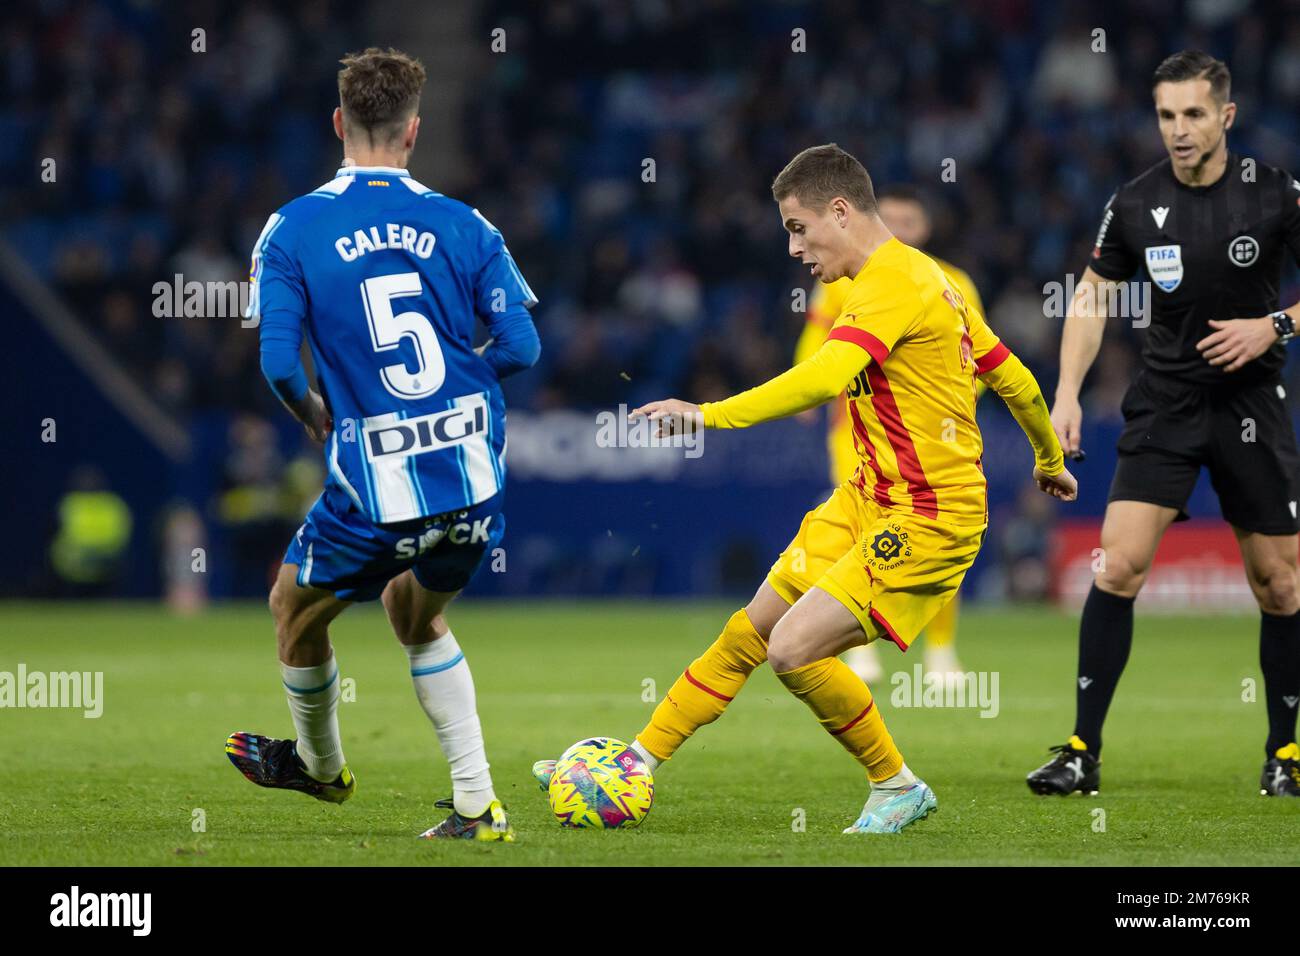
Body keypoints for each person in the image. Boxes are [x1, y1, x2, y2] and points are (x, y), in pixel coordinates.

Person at [536, 144, 1075, 833]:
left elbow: (822, 378)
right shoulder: (928, 280)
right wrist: (1048, 457)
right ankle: (634, 763)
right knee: (749, 632)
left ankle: (897, 783)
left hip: (927, 515)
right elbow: (1017, 379)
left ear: (841, 212)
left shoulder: (893, 285)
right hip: (864, 498)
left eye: (797, 226)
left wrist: (705, 415)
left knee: (791, 650)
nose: (793, 247)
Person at [225, 48, 541, 840]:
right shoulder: (466, 223)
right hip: (472, 475)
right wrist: (461, 382)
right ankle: (478, 806)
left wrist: (312, 413)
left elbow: (274, 365)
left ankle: (322, 771)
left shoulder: (293, 227)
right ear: (413, 132)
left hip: (377, 479)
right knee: (414, 610)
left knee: (292, 611)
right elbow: (524, 346)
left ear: (339, 123)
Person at [1028, 50, 1300, 798]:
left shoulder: (1274, 193)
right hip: (1167, 406)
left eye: (1193, 114)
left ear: (1226, 117)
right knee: (1116, 567)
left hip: (1251, 408)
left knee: (1280, 585)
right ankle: (1082, 751)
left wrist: (1272, 325)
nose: (1178, 130)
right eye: (1166, 116)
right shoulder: (1138, 201)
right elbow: (1090, 297)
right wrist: (1068, 392)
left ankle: (1286, 753)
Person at [794, 184, 986, 683]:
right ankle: (856, 648)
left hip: (933, 442)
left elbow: (980, 360)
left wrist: (952, 408)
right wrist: (807, 384)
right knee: (861, 530)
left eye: (910, 220)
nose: (900, 228)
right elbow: (816, 335)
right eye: (891, 217)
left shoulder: (953, 281)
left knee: (936, 541)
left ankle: (941, 653)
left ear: (925, 228)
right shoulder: (842, 279)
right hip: (857, 433)